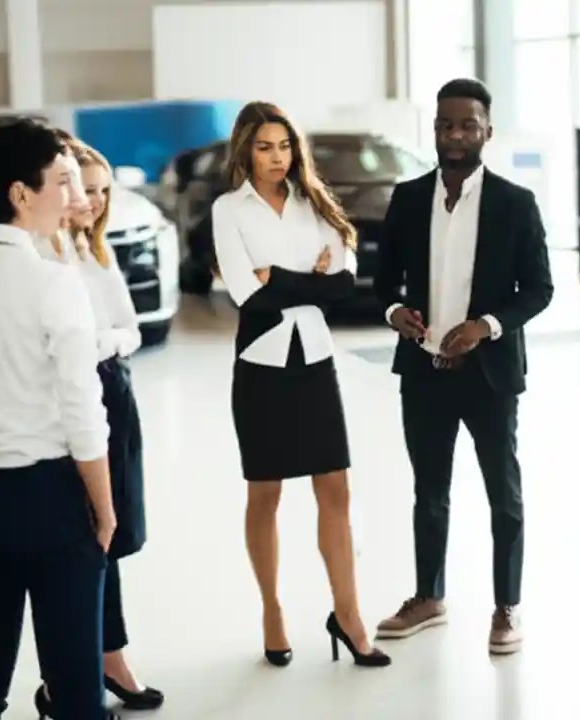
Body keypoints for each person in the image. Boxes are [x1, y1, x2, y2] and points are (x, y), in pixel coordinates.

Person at [0, 119, 119, 720]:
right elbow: (81, 410)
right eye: (63, 182)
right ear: (20, 193)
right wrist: (106, 507)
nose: (76, 197)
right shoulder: (53, 282)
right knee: (74, 679)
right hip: (49, 496)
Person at [373, 78, 553, 655]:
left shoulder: (515, 203)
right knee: (429, 490)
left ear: (487, 131)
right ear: (434, 129)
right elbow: (384, 281)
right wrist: (395, 309)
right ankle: (429, 596)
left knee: (504, 494)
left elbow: (539, 289)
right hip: (423, 371)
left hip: (490, 374)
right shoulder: (407, 198)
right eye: (446, 124)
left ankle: (507, 606)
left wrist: (487, 326)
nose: (456, 135)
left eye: (467, 125)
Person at [212, 101, 389, 668]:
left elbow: (344, 284)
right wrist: (306, 282)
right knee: (265, 494)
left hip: (314, 360)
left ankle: (349, 614)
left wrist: (282, 279)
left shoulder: (314, 204)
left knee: (335, 489)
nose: (276, 157)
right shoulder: (227, 210)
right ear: (245, 150)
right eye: (264, 147)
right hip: (261, 365)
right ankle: (272, 609)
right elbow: (248, 295)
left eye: (284, 146)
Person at [30, 139, 164, 712]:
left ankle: (104, 656)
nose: (94, 200)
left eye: (102, 189)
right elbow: (64, 345)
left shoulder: (93, 248)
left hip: (114, 395)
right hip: (71, 405)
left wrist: (99, 342)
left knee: (115, 535)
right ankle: (76, 671)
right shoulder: (41, 254)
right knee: (85, 540)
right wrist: (101, 343)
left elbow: (130, 330)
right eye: (84, 187)